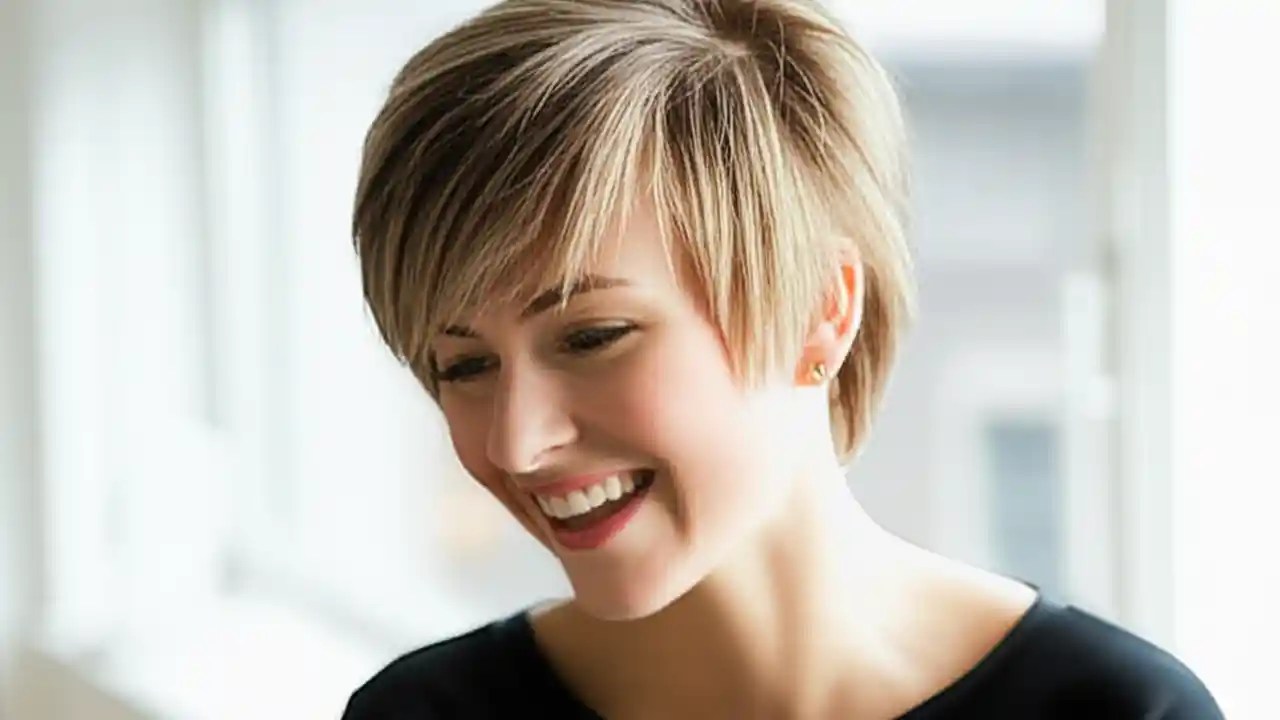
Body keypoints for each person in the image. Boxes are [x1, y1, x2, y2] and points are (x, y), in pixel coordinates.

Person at [341, 0, 1221, 717]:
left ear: (819, 310)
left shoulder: (1114, 712)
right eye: (465, 366)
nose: (517, 444)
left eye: (591, 337)